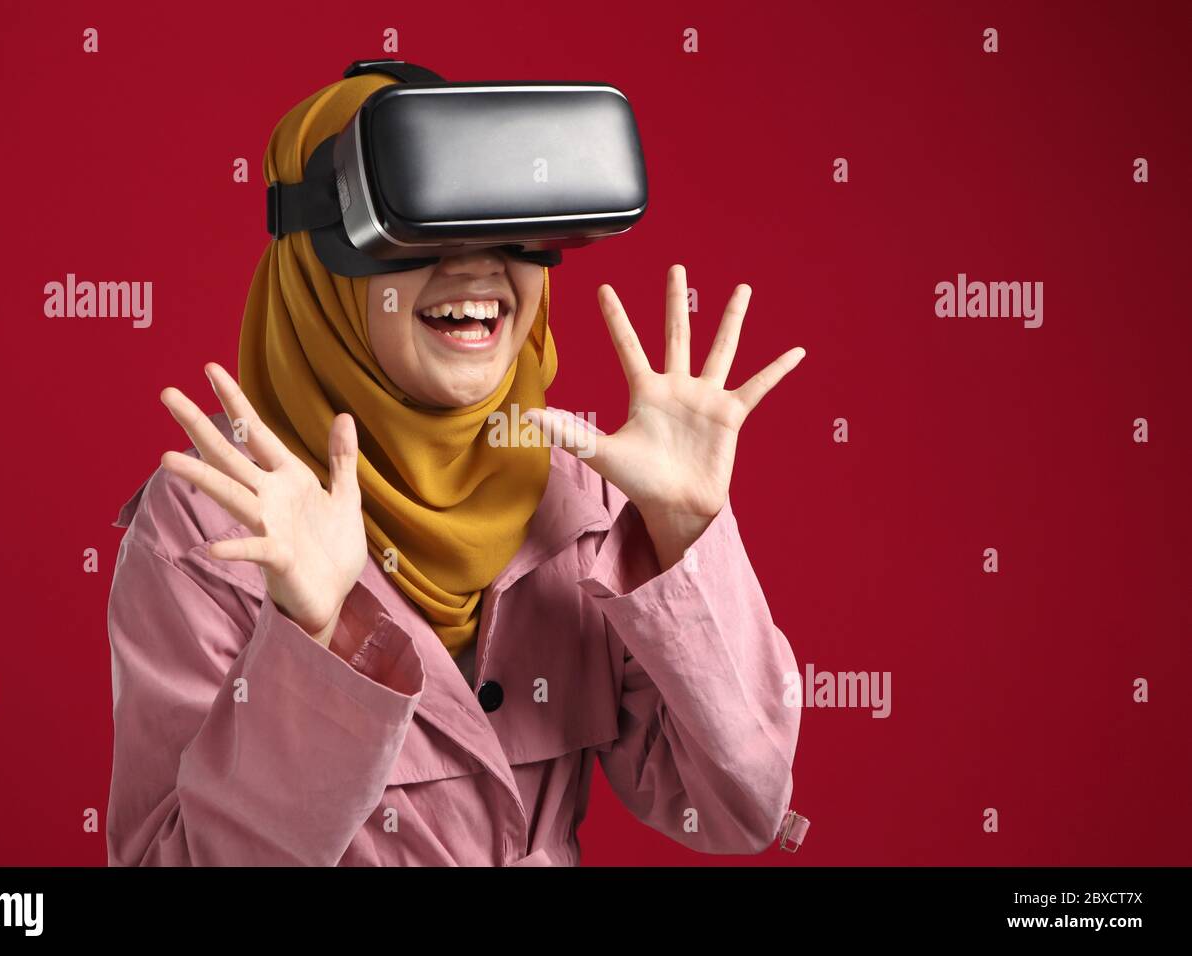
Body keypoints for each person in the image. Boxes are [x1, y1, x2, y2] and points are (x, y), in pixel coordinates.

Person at [105, 70, 809, 866]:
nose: (476, 270)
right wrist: (321, 640)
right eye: (422, 229)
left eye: (512, 230)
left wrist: (684, 541)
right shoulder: (213, 524)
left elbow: (738, 811)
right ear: (320, 266)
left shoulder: (582, 496)